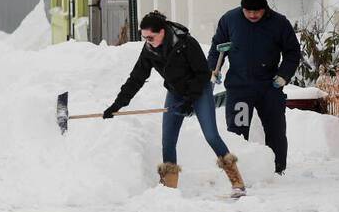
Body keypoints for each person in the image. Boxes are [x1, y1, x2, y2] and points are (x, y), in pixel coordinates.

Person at [103, 10, 246, 194]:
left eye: (151, 37)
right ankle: (169, 189)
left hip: (199, 90)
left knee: (211, 135)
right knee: (168, 141)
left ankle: (237, 182)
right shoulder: (149, 50)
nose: (147, 40)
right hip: (175, 92)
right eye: (144, 37)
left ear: (162, 31)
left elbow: (203, 74)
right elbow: (136, 79)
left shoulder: (186, 43)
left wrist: (190, 100)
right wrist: (117, 104)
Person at [210, 0, 300, 175]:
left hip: (270, 87)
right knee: (237, 130)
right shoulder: (230, 20)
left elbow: (292, 52)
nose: (252, 15)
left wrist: (284, 75)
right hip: (240, 88)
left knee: (275, 130)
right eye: (248, 11)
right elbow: (216, 48)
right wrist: (212, 69)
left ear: (264, 8)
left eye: (256, 11)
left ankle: (276, 170)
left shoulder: (279, 23)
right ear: (242, 9)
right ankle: (237, 171)